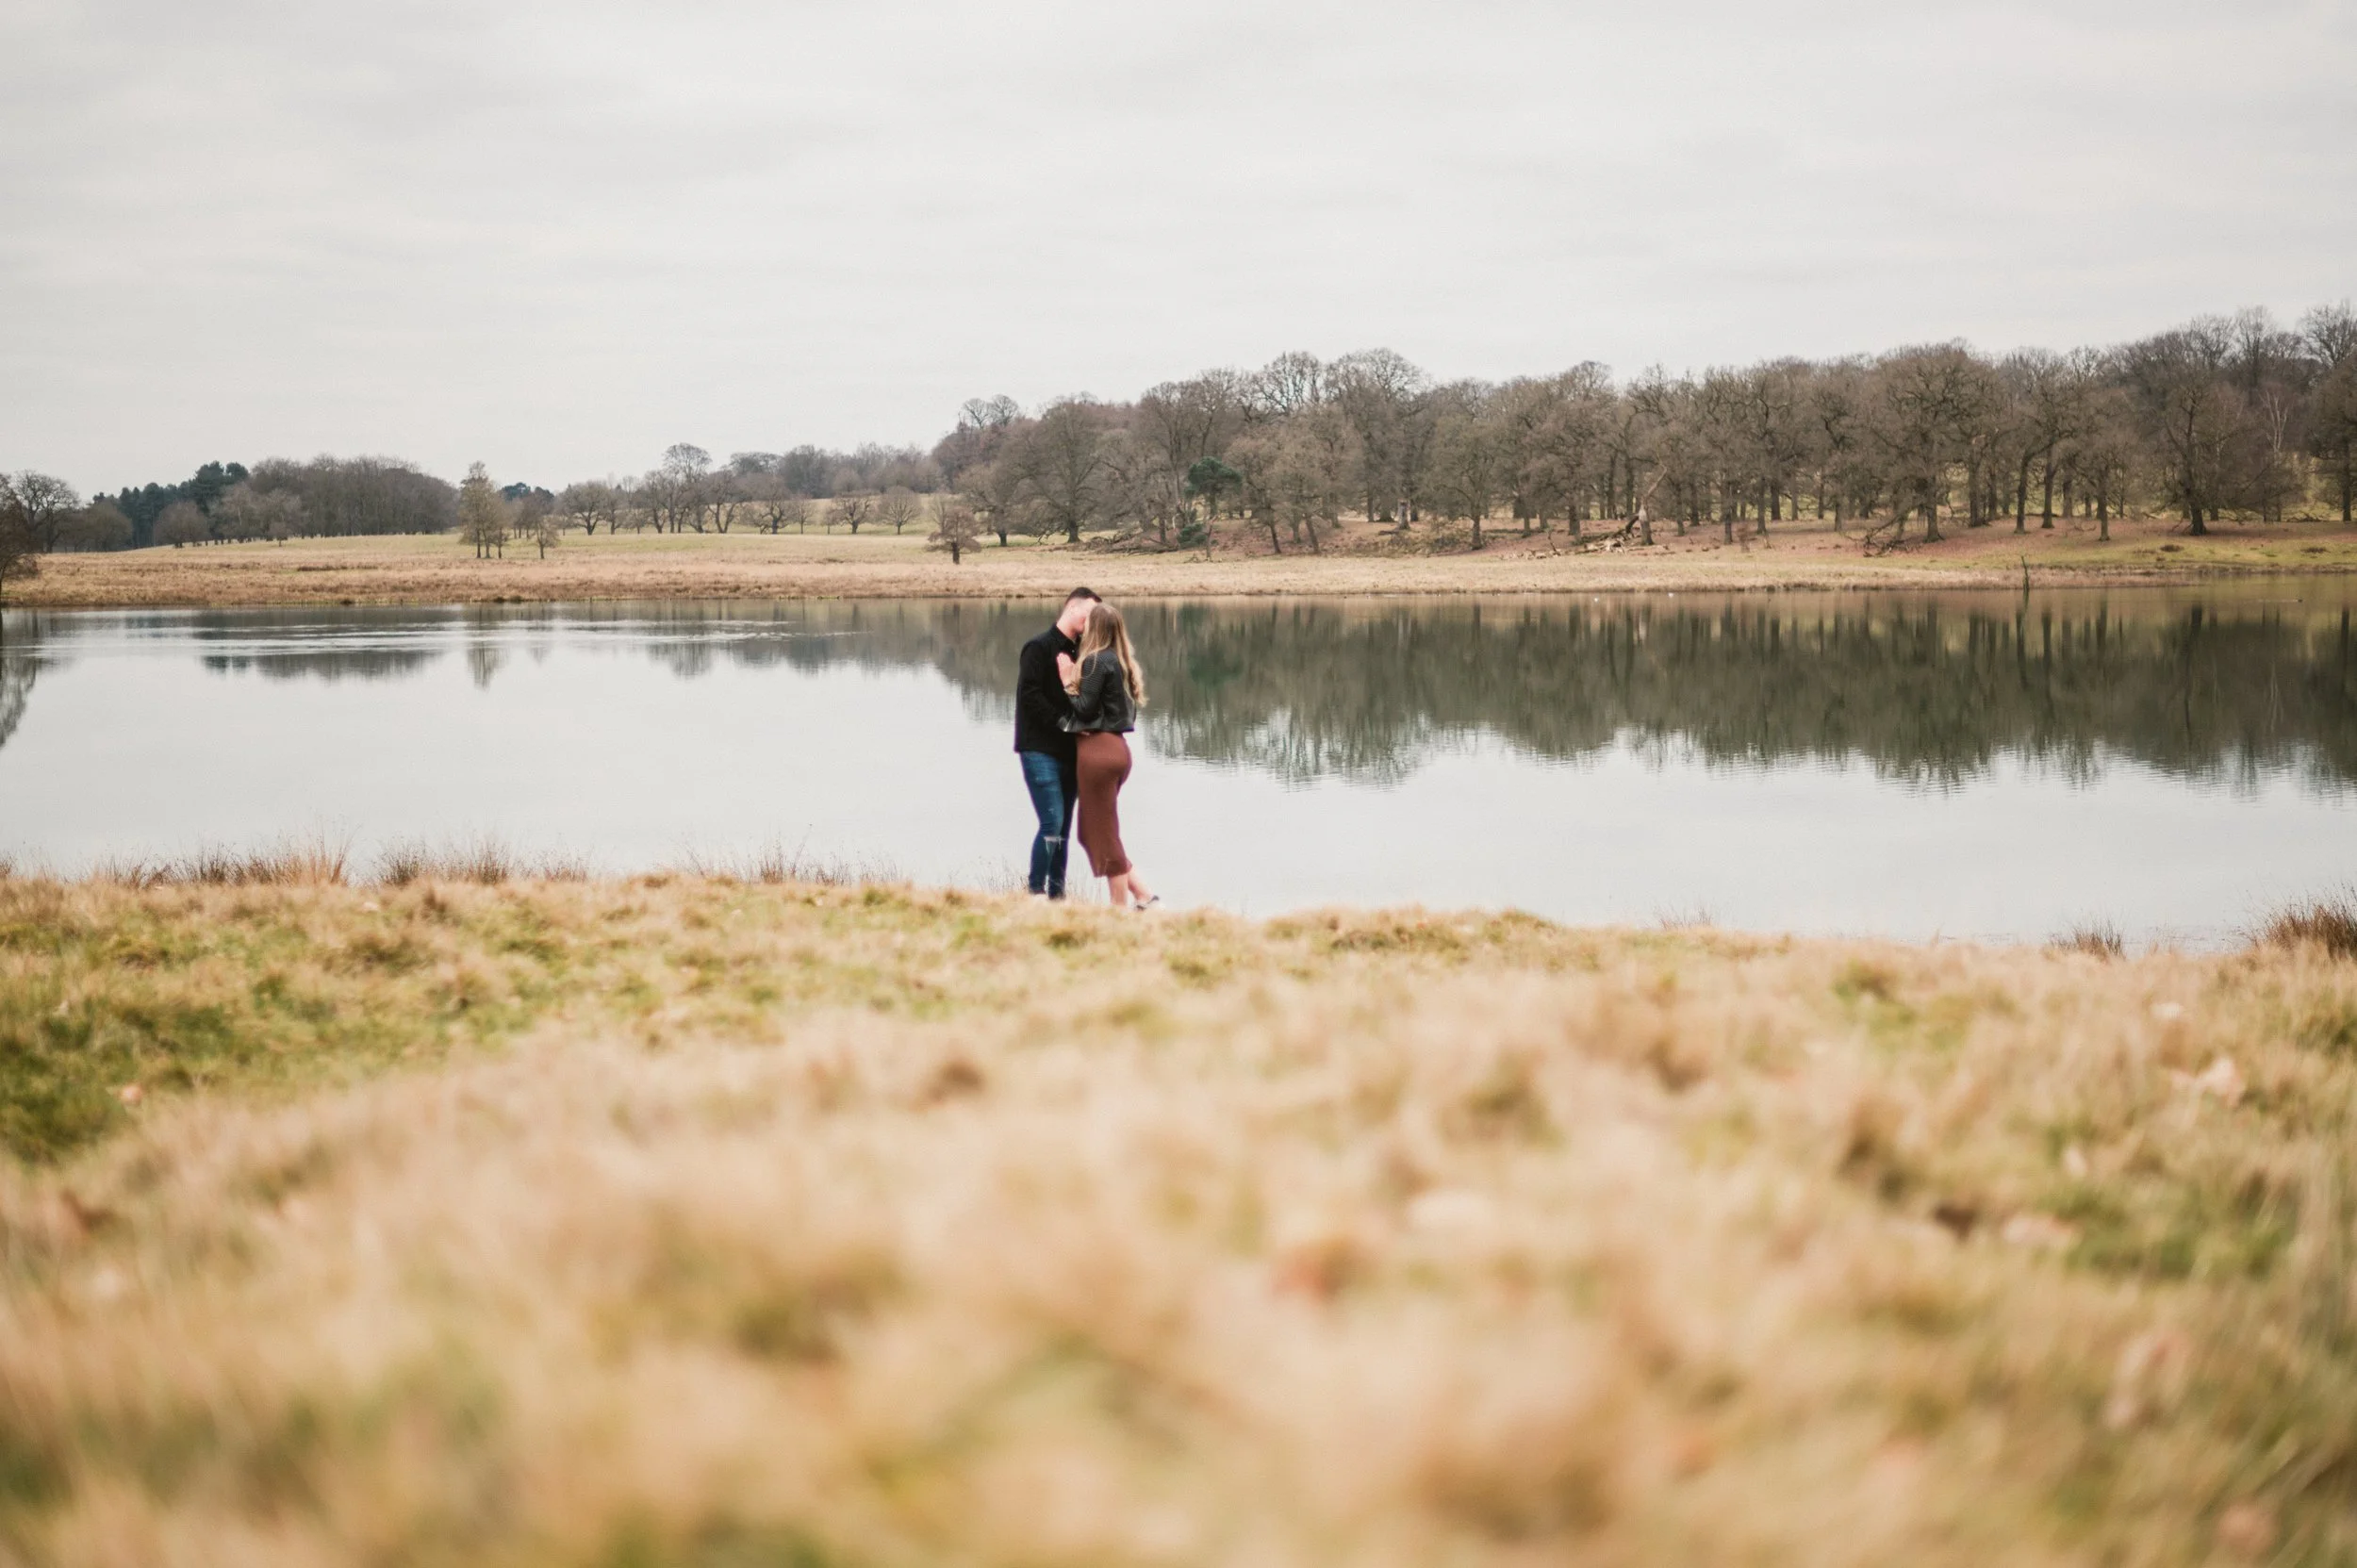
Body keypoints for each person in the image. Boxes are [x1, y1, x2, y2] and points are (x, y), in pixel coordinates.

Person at [1058, 602, 1158, 910]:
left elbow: (1084, 709)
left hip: (1099, 755)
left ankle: (1119, 910)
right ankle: (1145, 897)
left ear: (1095, 627)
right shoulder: (1118, 660)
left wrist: (1066, 678)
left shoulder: (1096, 660)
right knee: (1090, 834)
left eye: (1088, 620)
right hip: (1116, 751)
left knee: (1105, 835)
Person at [1014, 587, 1099, 898]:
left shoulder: (1085, 654)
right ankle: (1035, 893)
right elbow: (1030, 697)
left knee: (1063, 829)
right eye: (1091, 613)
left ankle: (1057, 896)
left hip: (1070, 753)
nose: (1094, 621)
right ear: (1074, 609)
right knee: (1051, 821)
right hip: (1039, 749)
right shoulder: (1037, 648)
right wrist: (1066, 723)